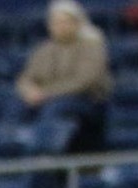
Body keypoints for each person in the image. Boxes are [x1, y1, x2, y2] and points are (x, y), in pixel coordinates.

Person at [15, 0, 112, 138]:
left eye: (65, 22)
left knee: (56, 109)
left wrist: (46, 93)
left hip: (85, 101)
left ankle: (48, 153)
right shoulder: (44, 50)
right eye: (56, 23)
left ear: (76, 23)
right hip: (46, 98)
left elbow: (85, 81)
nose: (61, 27)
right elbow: (27, 76)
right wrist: (28, 90)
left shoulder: (91, 46)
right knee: (16, 108)